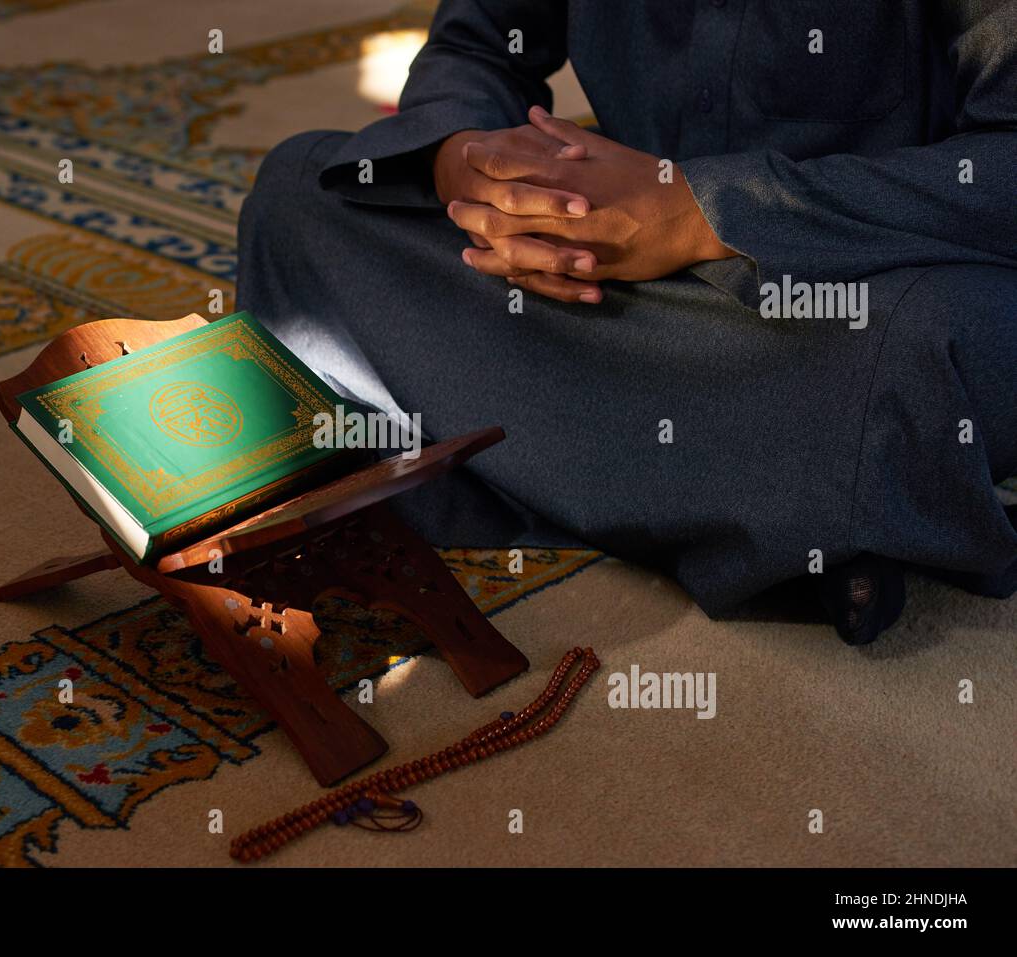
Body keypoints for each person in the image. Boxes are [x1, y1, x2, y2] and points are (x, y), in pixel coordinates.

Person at [237, 0, 1017, 645]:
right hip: (616, 278)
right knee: (301, 194)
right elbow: (478, 47)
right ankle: (776, 505)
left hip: (858, 278)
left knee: (919, 349)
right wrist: (468, 163)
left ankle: (581, 466)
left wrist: (706, 213)